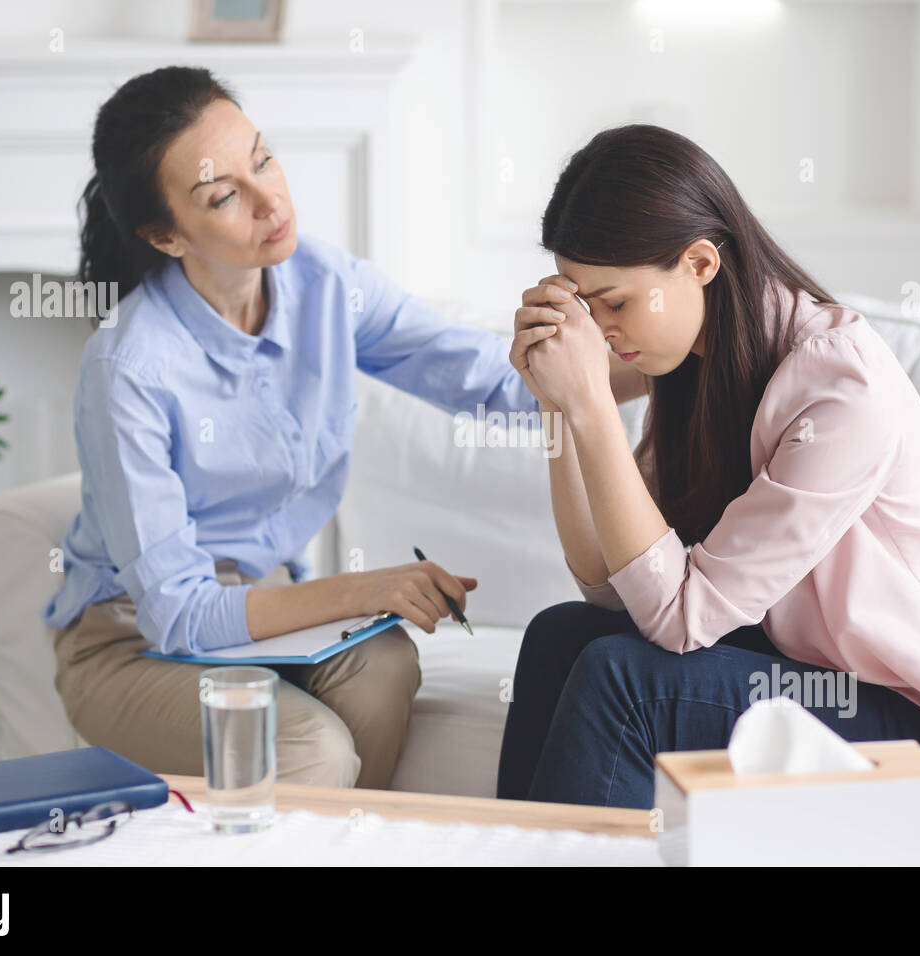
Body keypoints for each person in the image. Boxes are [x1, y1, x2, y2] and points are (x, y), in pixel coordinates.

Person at [42, 66, 637, 790]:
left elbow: (487, 379)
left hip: (263, 613)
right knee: (311, 747)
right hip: (133, 642)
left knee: (386, 666)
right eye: (225, 196)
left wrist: (676, 358)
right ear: (166, 235)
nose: (271, 201)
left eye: (262, 159)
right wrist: (367, 589)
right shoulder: (129, 368)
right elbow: (181, 614)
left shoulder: (325, 285)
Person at [497, 124, 920, 809]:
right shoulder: (697, 365)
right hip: (847, 675)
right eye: (583, 305)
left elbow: (677, 616)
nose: (600, 331)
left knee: (623, 681)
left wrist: (593, 405)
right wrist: (557, 410)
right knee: (559, 636)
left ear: (698, 264)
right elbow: (608, 586)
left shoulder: (841, 393)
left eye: (617, 303)